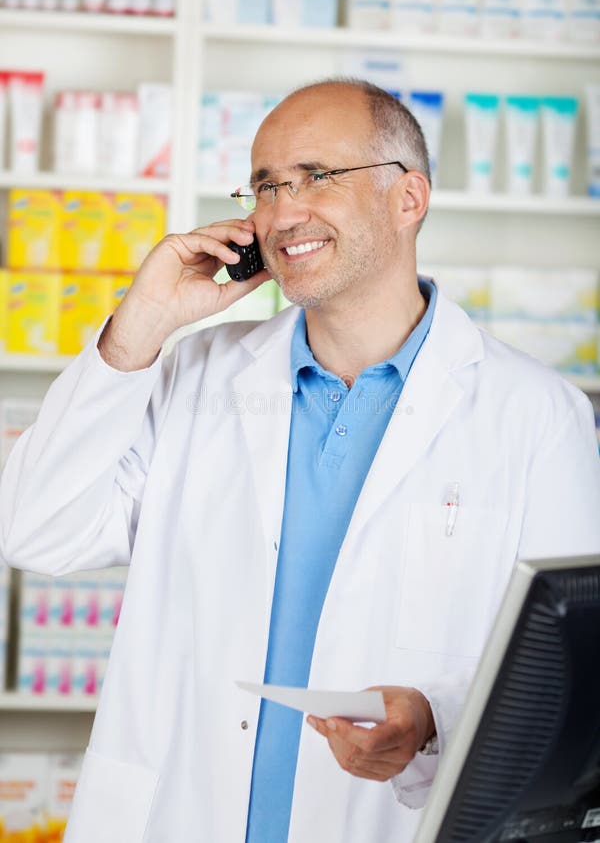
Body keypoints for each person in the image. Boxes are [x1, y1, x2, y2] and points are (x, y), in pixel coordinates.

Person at [1, 79, 599, 843]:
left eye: (316, 177)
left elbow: (569, 684)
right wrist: (140, 323)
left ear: (408, 197)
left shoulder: (533, 413)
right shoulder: (196, 375)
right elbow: (34, 532)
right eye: (265, 186)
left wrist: (427, 721)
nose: (283, 212)